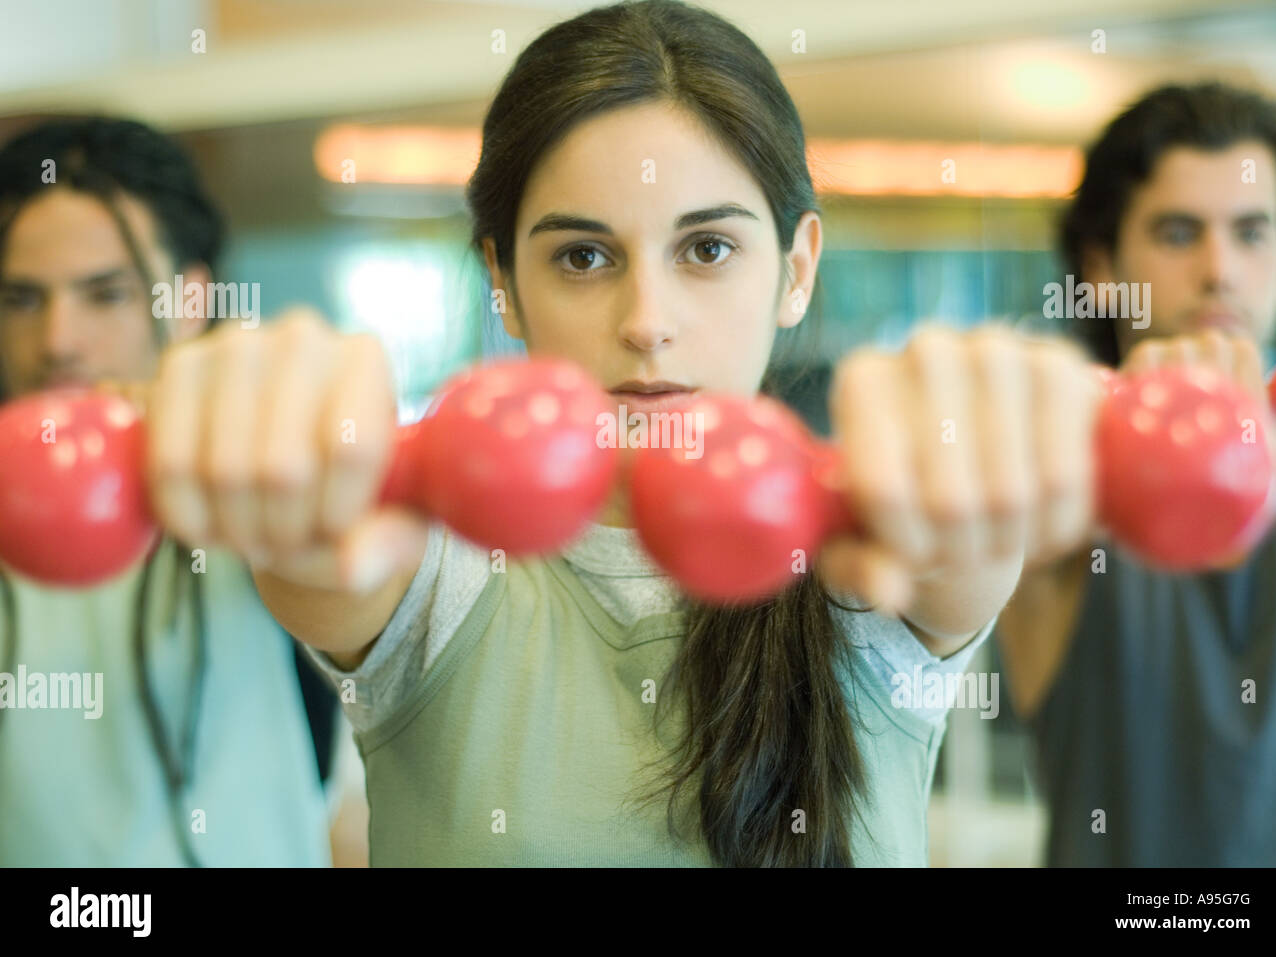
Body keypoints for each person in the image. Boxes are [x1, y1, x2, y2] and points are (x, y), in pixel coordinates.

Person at [134, 0, 1111, 867]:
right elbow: (323, 553)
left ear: (797, 267)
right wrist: (271, 420)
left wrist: (984, 425)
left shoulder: (870, 557)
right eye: (585, 256)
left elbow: (960, 545)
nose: (647, 318)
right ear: (502, 283)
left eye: (708, 248)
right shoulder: (422, 573)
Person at [0, 117, 340, 866]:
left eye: (105, 294)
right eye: (23, 299)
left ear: (188, 301)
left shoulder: (257, 484)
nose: (57, 339)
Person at [997, 82, 1276, 866]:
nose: (1220, 271)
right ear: (1101, 267)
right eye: (1177, 232)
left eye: (1252, 233)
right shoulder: (1058, 468)